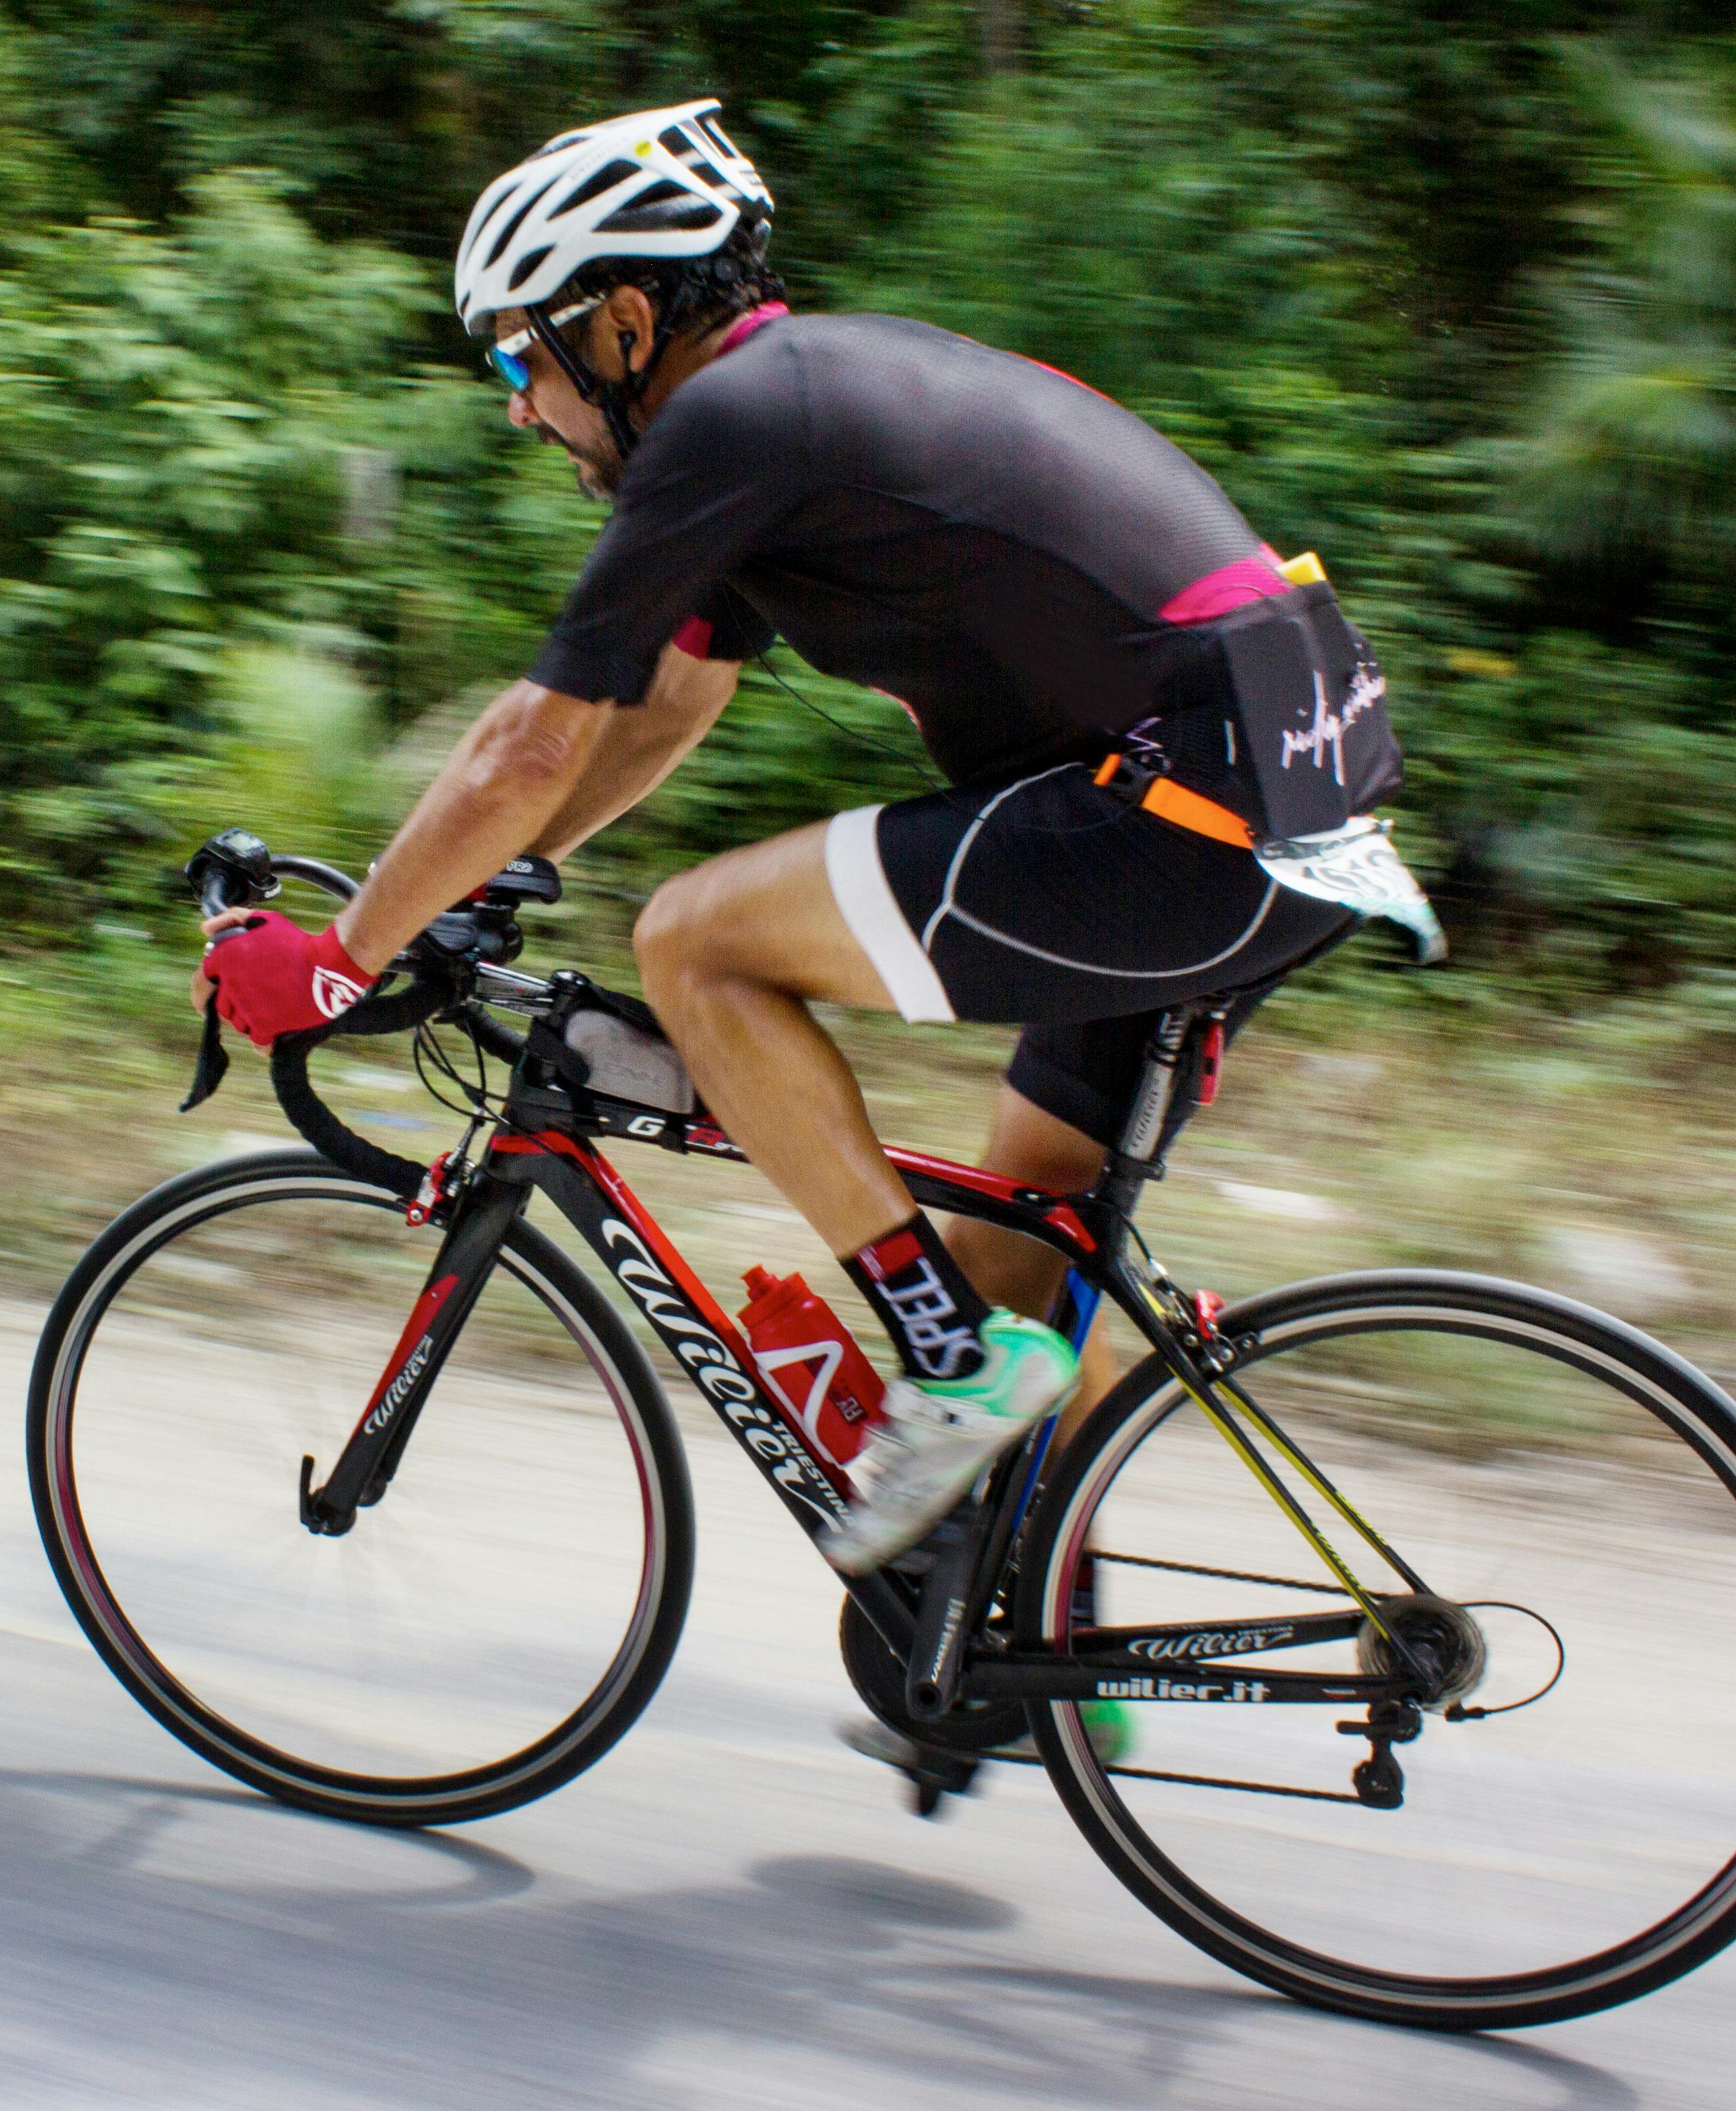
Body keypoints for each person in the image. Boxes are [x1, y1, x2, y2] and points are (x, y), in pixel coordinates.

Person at [191, 99, 1407, 1579]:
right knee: (1024, 1265)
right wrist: (507, 872)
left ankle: (950, 1374)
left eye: (523, 355)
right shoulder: (807, 412)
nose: (517, 404)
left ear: (626, 321)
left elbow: (531, 740)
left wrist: (339, 957)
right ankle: (1059, 1647)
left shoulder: (731, 423)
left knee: (695, 943)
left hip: (1183, 821)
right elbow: (660, 707)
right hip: (1288, 804)